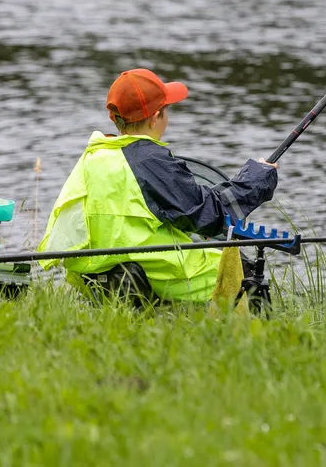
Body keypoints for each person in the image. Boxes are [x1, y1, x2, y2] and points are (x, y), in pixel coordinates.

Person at [37, 68, 278, 303]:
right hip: (150, 272)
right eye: (166, 111)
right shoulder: (149, 160)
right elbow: (213, 214)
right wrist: (257, 178)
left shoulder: (94, 155)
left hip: (95, 274)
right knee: (241, 269)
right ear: (155, 118)